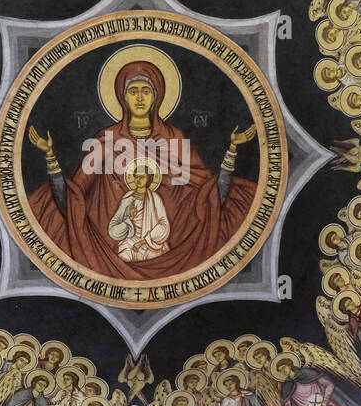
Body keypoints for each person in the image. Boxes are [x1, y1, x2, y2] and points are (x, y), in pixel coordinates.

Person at [27, 55, 256, 279]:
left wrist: (232, 149)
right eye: (133, 91)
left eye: (146, 91)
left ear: (157, 96)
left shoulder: (174, 138)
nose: (139, 98)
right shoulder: (104, 140)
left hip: (169, 251)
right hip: (113, 252)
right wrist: (50, 156)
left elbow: (210, 195)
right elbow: (74, 198)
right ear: (122, 96)